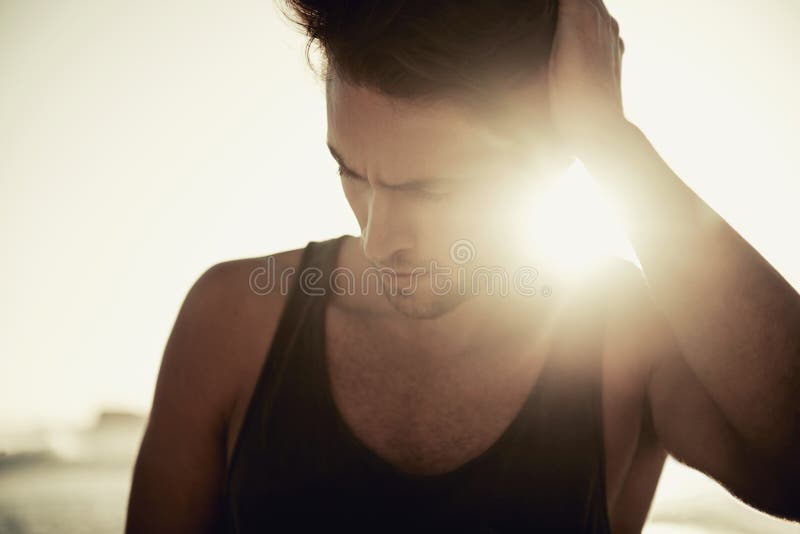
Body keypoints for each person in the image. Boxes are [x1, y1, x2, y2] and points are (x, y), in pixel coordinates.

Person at [125, 1, 800, 532]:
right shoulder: (232, 322)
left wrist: (610, 140)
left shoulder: (623, 337)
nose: (379, 235)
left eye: (431, 190)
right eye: (352, 171)